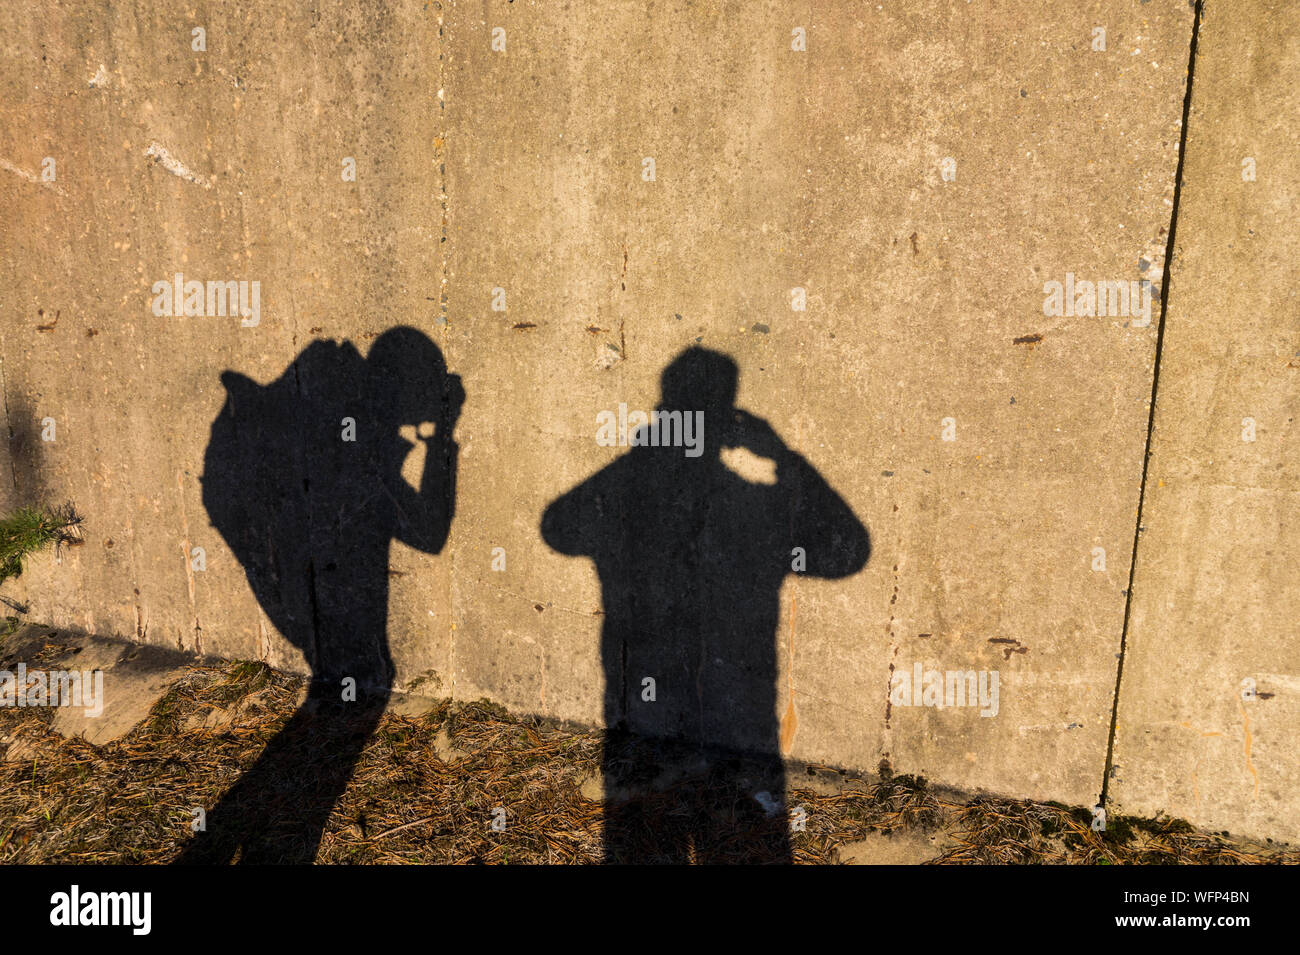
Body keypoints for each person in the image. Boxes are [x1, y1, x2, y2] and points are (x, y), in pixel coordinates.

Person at [541, 346, 869, 862]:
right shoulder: (756, 505)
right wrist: (785, 457)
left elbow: (556, 526)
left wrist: (636, 457)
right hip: (736, 719)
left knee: (646, 835)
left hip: (648, 717)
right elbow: (848, 552)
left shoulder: (645, 487)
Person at [178, 327, 462, 864]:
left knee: (341, 697)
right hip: (288, 571)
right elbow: (430, 533)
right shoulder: (353, 438)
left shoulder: (320, 402)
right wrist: (443, 440)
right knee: (355, 698)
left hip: (276, 559)